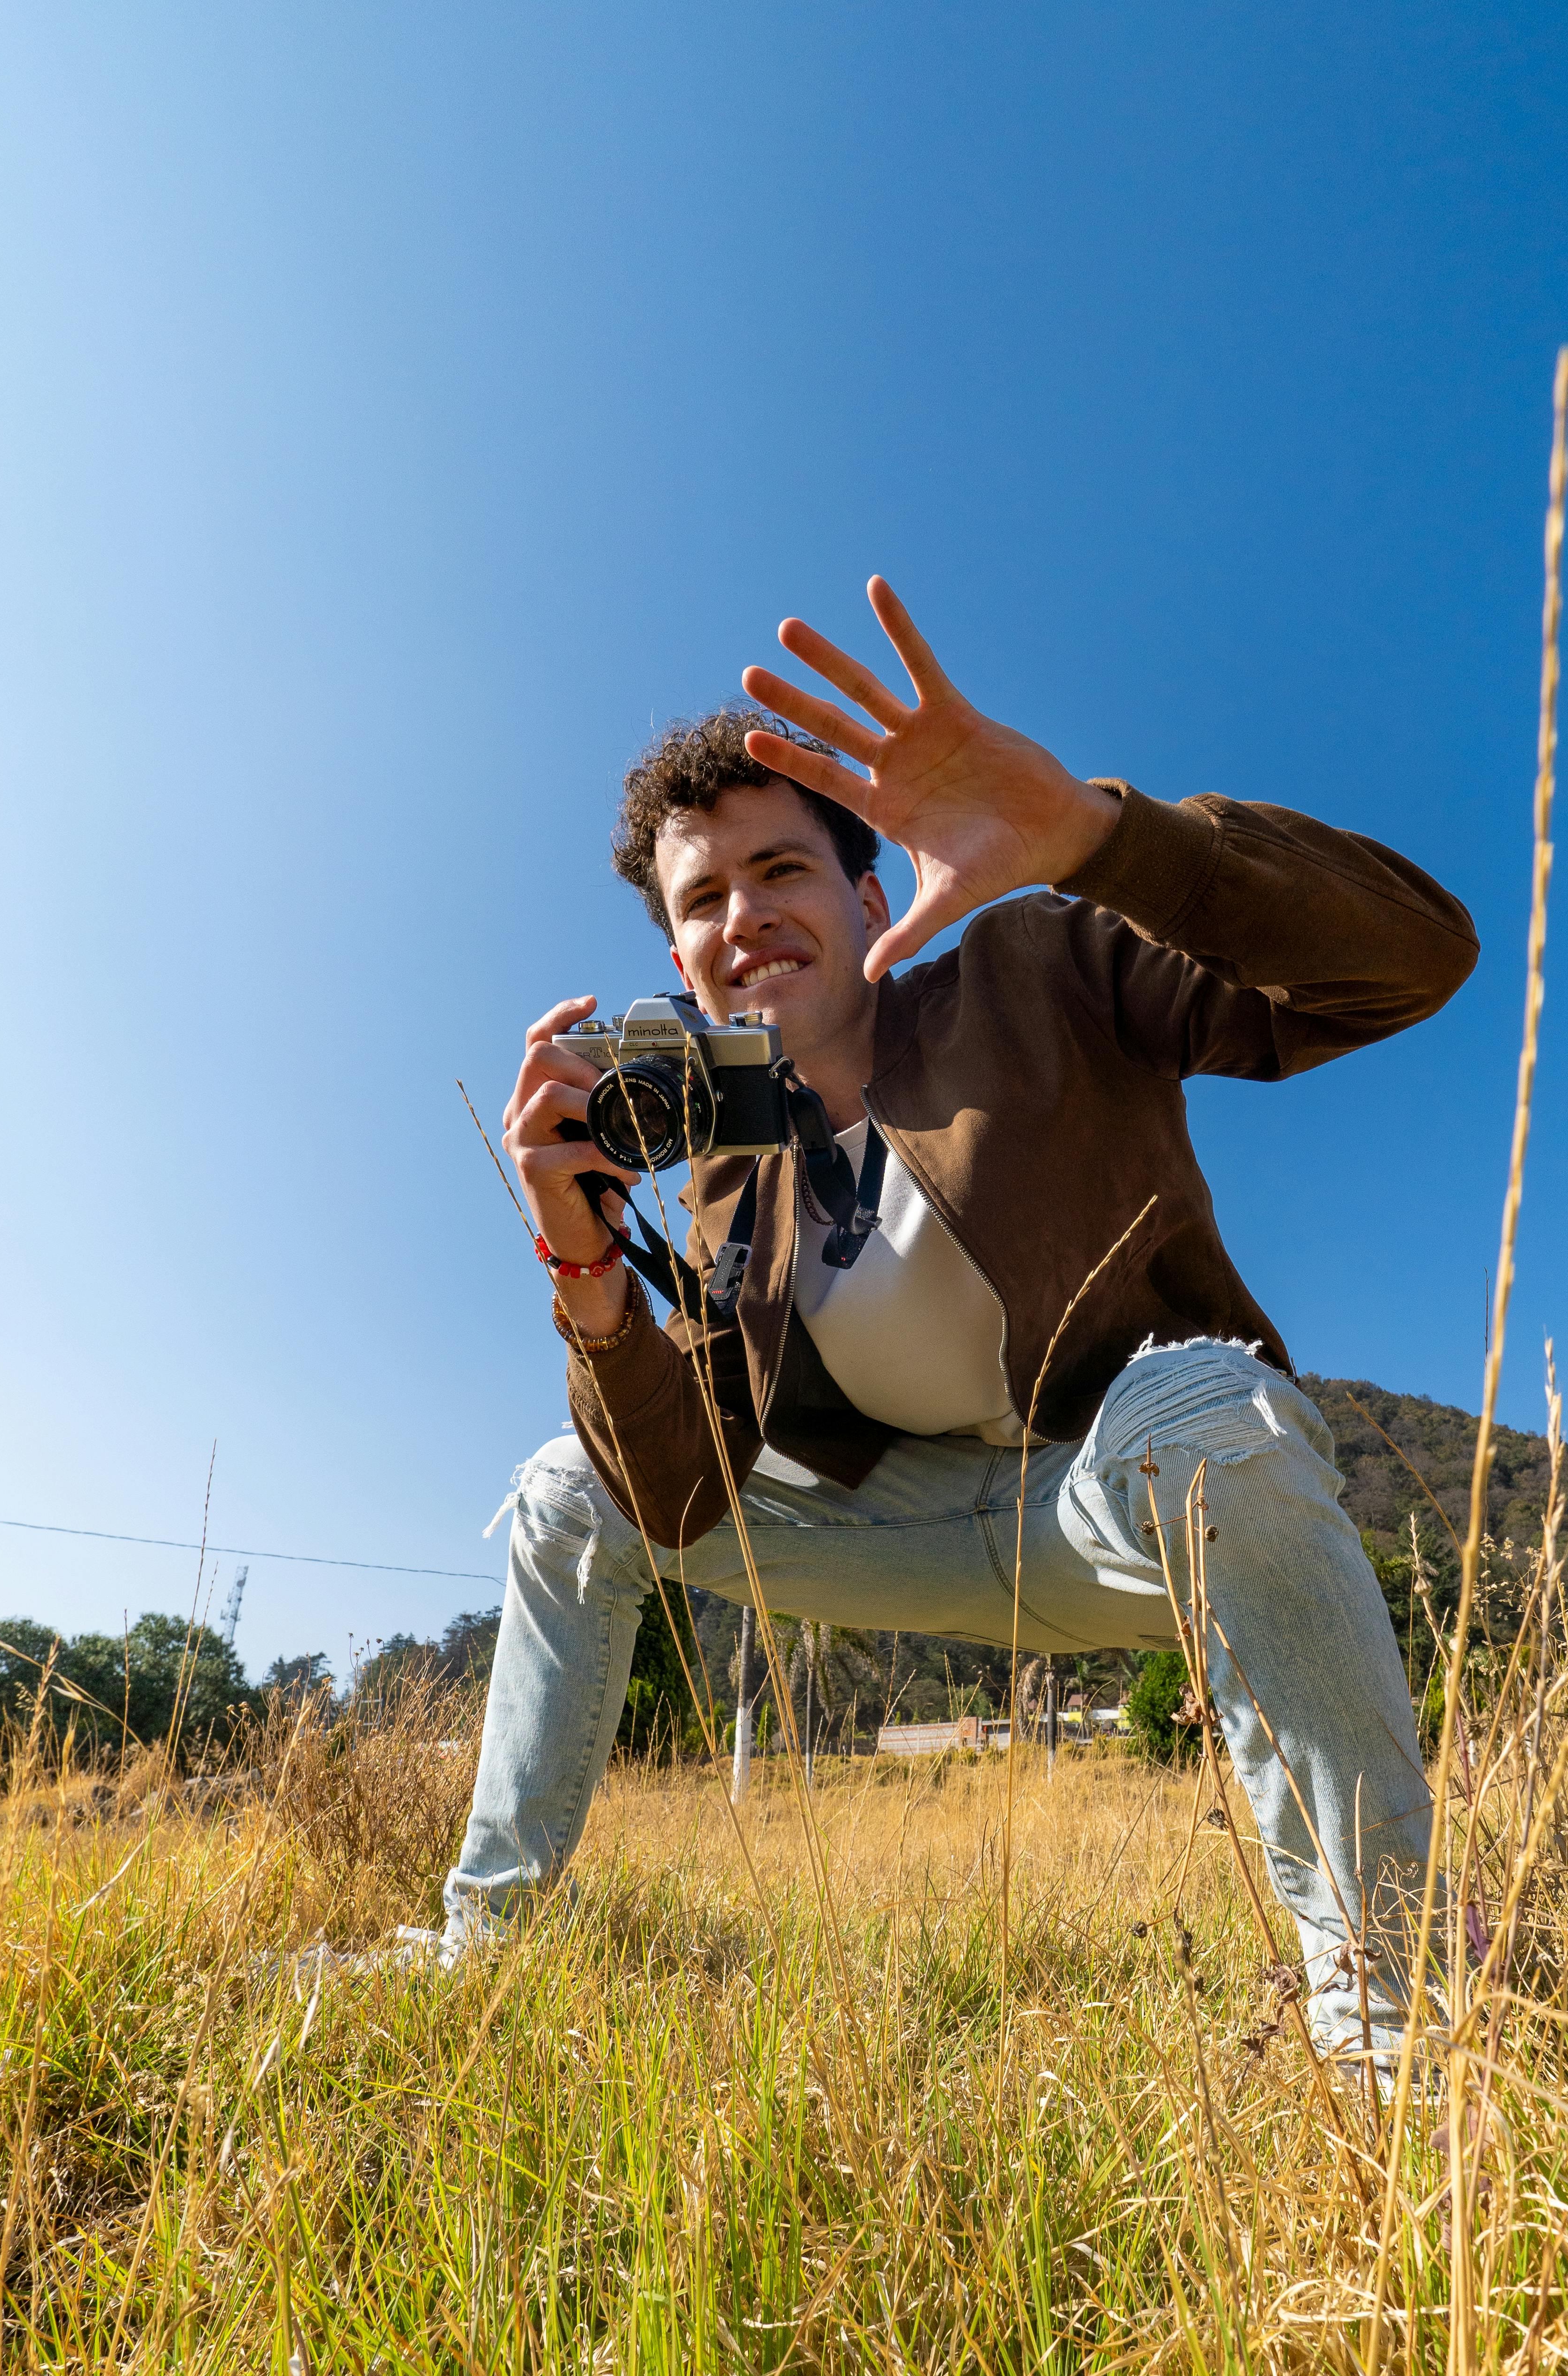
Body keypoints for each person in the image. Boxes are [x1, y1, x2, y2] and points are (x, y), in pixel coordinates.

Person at [443, 579, 1478, 2071]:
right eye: (703, 902)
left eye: (782, 868)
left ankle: (1386, 2000)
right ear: (682, 967)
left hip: (1125, 1507)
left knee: (1204, 1402)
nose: (746, 917)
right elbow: (672, 1506)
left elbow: (1412, 954)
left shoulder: (1042, 969)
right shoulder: (731, 1184)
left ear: (872, 897)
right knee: (563, 1490)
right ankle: (482, 1948)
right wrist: (588, 1271)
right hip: (910, 1540)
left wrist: (1097, 839)